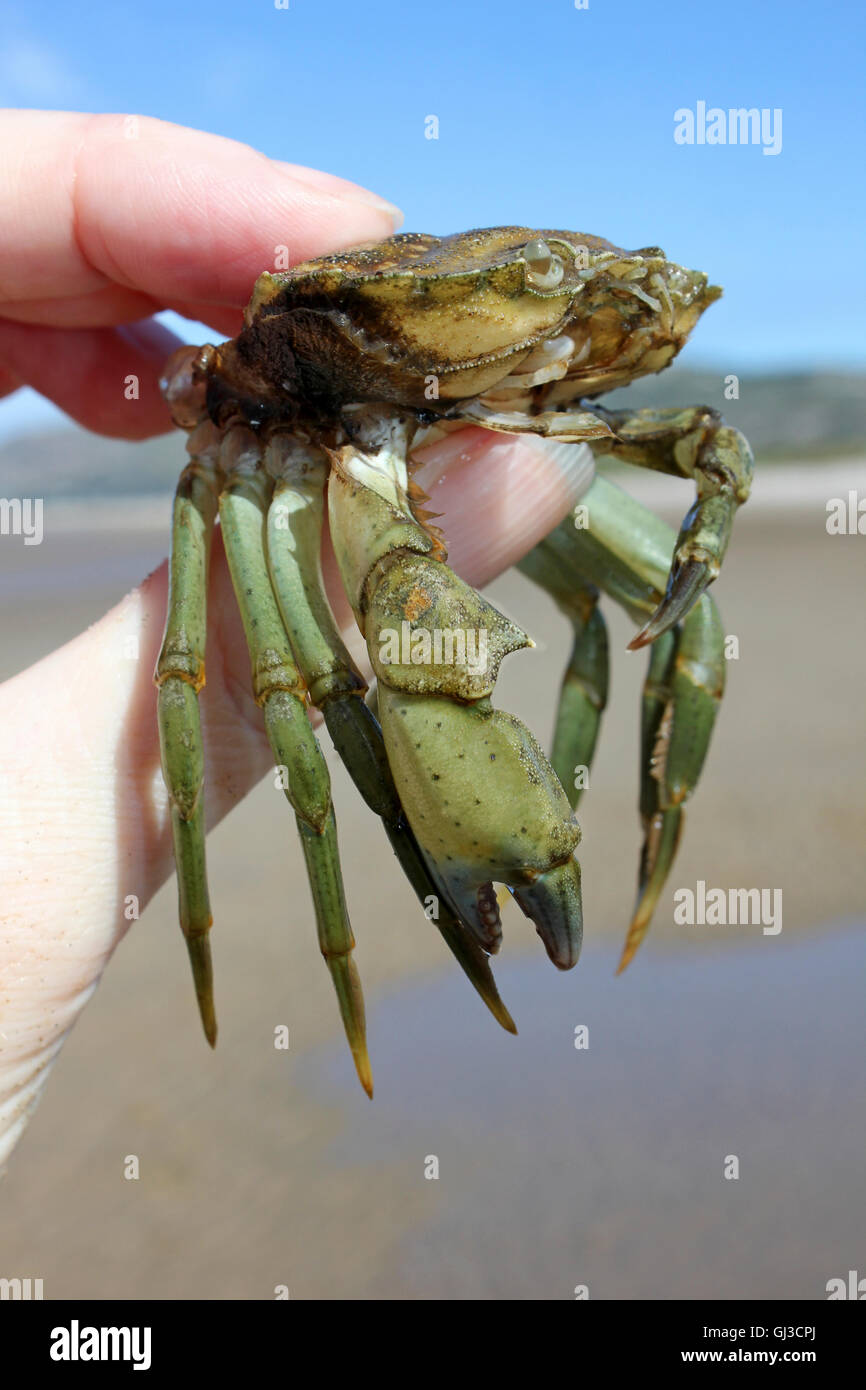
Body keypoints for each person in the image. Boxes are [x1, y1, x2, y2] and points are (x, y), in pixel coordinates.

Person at [0, 111, 592, 1166]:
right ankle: (328, 971)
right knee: (299, 711)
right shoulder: (288, 374)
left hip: (385, 423)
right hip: (268, 458)